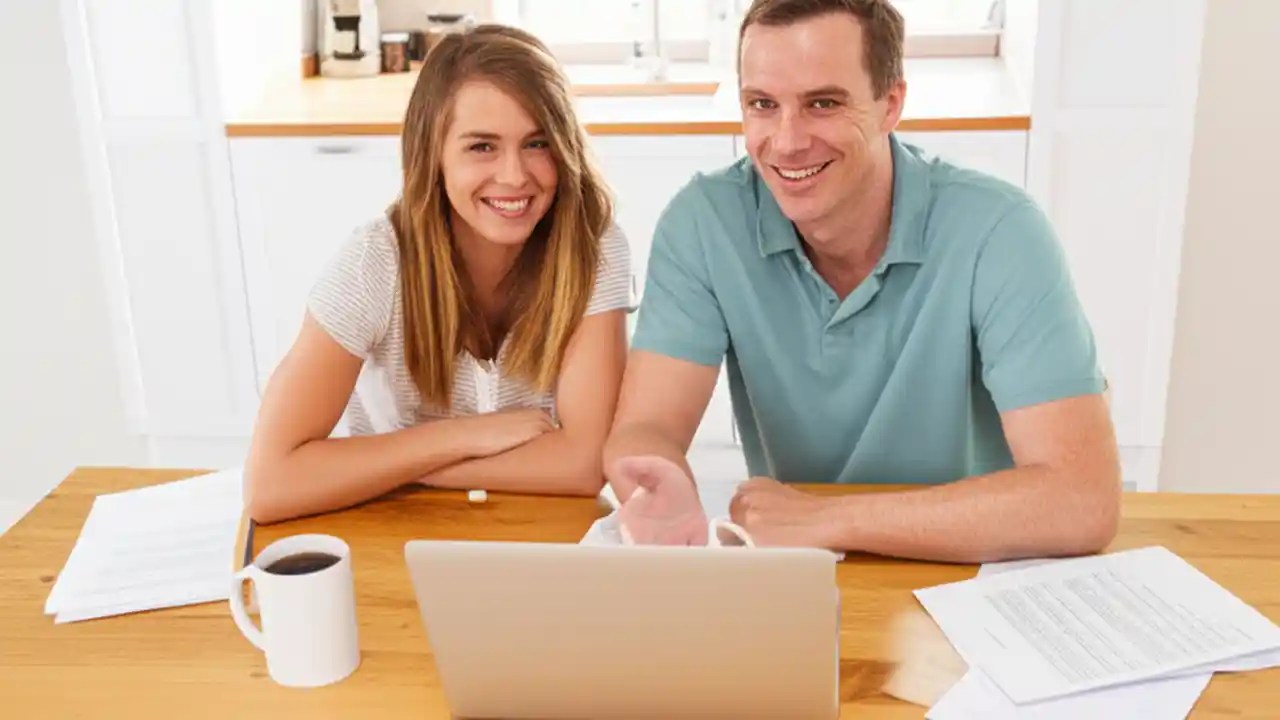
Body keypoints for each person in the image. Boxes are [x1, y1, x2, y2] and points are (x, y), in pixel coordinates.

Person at [603, 0, 1120, 562]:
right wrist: (657, 475)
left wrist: (826, 519)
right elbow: (646, 428)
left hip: (977, 573)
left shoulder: (1000, 231)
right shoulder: (705, 221)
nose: (787, 140)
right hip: (805, 572)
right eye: (762, 105)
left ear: (890, 103)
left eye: (823, 103)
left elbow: (1081, 501)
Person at [245, 25, 630, 524]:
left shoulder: (591, 246)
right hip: (393, 532)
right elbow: (270, 485)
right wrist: (461, 436)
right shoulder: (374, 262)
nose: (515, 176)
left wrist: (388, 466)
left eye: (537, 143)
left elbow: (582, 466)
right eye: (482, 147)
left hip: (536, 533)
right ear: (434, 156)